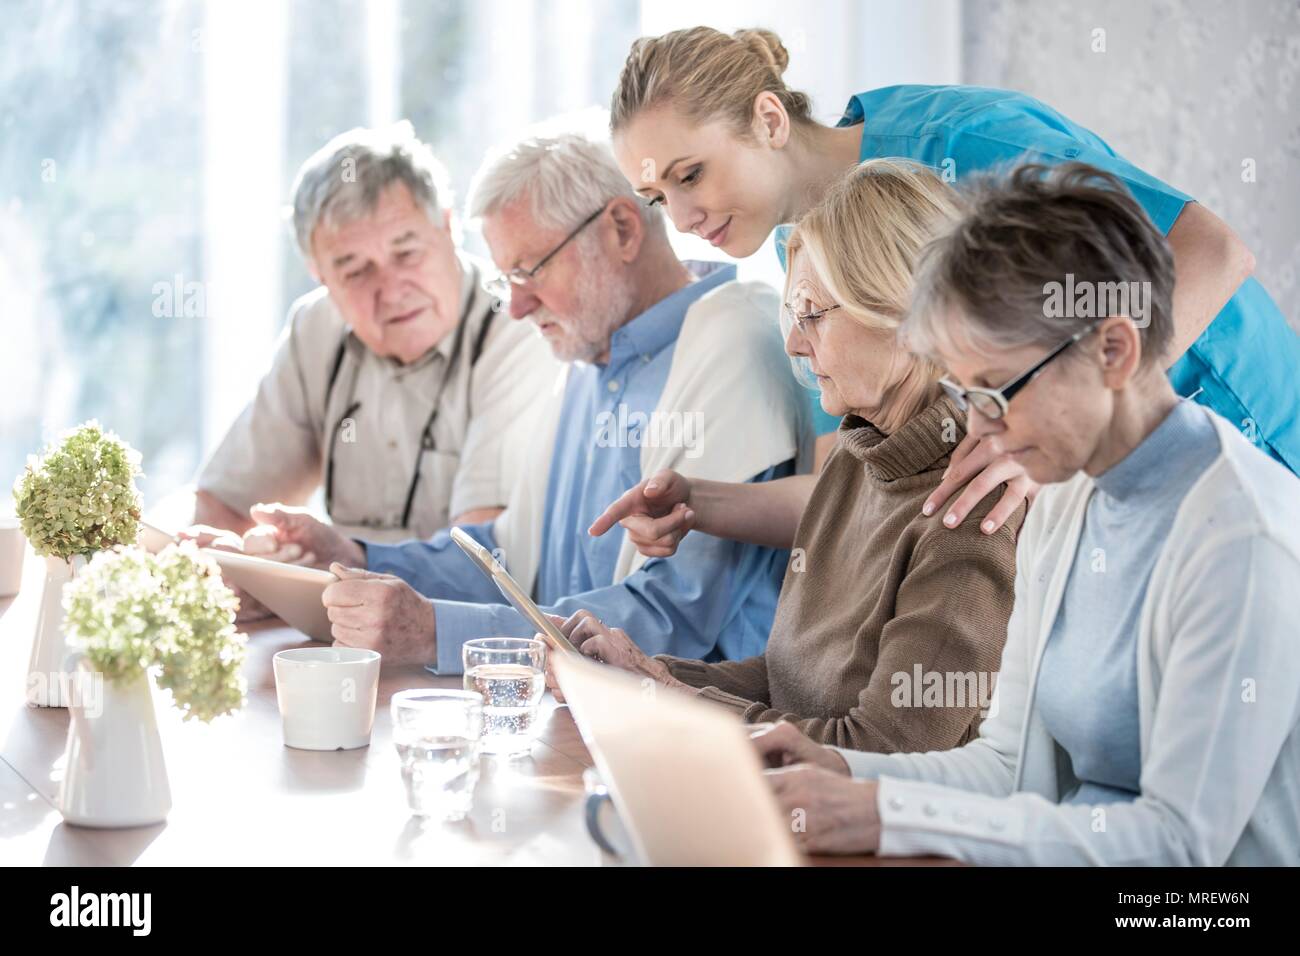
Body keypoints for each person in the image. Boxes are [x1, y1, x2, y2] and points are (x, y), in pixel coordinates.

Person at [751, 163, 1300, 866]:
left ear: (1114, 350)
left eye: (995, 391)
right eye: (963, 392)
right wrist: (843, 770)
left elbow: (1178, 847)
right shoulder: (1067, 495)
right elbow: (1009, 770)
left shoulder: (1240, 536)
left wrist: (885, 813)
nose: (977, 430)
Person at [606, 25, 1300, 545]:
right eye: (659, 197)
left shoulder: (965, 141)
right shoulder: (802, 255)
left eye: (689, 174)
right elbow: (847, 487)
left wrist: (1052, 428)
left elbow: (1212, 250)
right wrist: (695, 504)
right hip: (1105, 496)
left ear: (768, 118)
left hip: (1236, 419)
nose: (685, 216)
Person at [247, 129, 811, 671]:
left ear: (621, 229)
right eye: (504, 280)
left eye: (528, 271)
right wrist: (356, 558)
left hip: (708, 734)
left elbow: (672, 620)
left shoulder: (735, 339)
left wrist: (435, 631)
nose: (515, 307)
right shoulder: (587, 362)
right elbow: (510, 563)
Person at [544, 160, 1022, 754]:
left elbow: (884, 750)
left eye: (813, 314)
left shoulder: (970, 510)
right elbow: (781, 682)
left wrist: (664, 695)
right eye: (793, 317)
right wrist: (632, 673)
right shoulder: (855, 457)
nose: (795, 342)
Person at [190, 122, 557, 546]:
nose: (391, 289)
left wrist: (344, 565)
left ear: (447, 227)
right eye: (356, 270)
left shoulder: (514, 323)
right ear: (319, 274)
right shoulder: (316, 328)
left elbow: (481, 554)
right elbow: (226, 508)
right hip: (335, 603)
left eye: (406, 252)